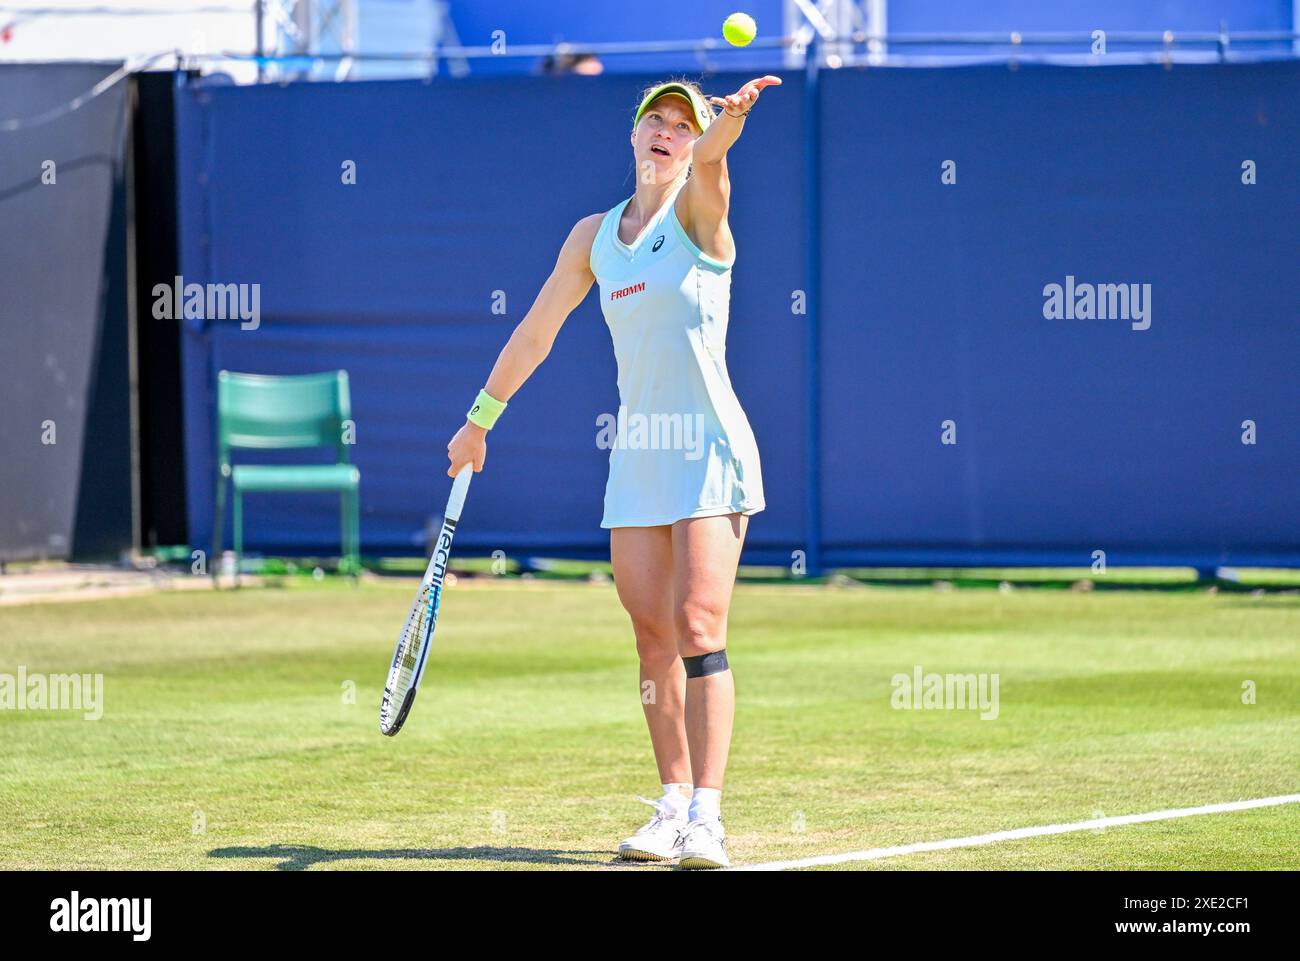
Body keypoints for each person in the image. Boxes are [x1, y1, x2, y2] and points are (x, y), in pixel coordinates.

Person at [446, 74, 781, 869]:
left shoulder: (700, 210)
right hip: (639, 457)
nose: (668, 132)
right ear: (633, 135)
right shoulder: (593, 238)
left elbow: (716, 167)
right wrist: (478, 421)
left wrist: (727, 126)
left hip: (709, 449)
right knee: (651, 639)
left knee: (700, 628)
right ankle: (670, 803)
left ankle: (710, 814)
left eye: (683, 125)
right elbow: (535, 332)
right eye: (655, 121)